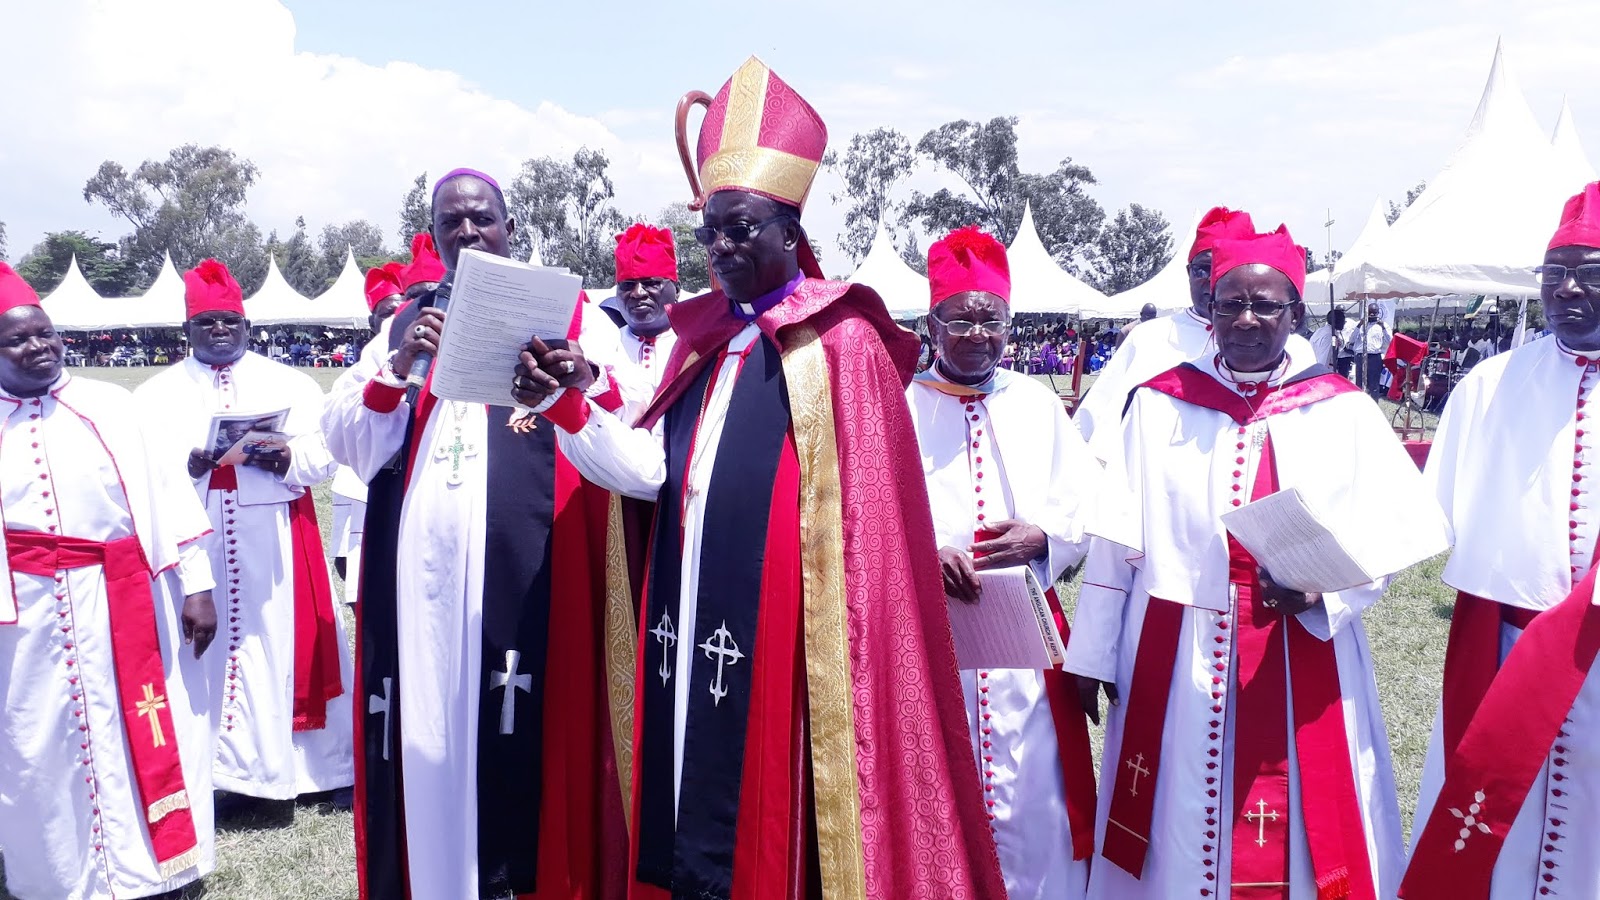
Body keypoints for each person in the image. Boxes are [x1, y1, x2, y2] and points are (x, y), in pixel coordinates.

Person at [512, 57, 1007, 897]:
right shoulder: (698, 340)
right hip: (685, 620)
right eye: (712, 232)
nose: (725, 248)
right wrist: (570, 401)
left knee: (780, 816)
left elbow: (872, 536)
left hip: (793, 636)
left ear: (791, 231)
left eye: (743, 228)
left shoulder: (840, 342)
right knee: (686, 802)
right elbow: (647, 475)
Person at [1067, 226, 1448, 899]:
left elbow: (1394, 532)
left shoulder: (1343, 409)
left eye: (1265, 306)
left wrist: (1327, 589)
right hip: (1176, 654)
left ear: (1294, 314)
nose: (1245, 320)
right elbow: (1113, 542)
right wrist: (1092, 657)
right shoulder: (1157, 406)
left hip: (1300, 649)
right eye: (1229, 304)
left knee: (1298, 816)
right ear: (1207, 314)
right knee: (1174, 810)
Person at [322, 167, 626, 900]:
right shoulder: (405, 323)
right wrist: (396, 370)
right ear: (432, 237)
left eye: (481, 219)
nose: (467, 233)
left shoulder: (575, 315)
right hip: (420, 597)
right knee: (427, 741)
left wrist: (580, 376)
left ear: (509, 228)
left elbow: (630, 423)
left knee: (521, 740)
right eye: (451, 223)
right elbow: (346, 441)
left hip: (528, 577)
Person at [1401, 181, 1600, 900]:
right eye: (1555, 274)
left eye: (1592, 273)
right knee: (1494, 848)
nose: (1569, 289)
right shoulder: (1488, 385)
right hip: (1504, 654)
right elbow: (1415, 519)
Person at [0, 264, 219, 899]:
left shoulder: (112, 405)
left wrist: (196, 586)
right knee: (36, 745)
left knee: (141, 731)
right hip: (24, 613)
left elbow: (170, 498)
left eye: (46, 333)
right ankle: (55, 878)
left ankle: (156, 868)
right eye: (18, 340)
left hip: (119, 597)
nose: (39, 346)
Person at [905, 226, 1102, 898]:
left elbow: (1084, 504)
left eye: (991, 320)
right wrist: (923, 555)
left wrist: (1044, 537)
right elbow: (864, 518)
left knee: (1034, 796)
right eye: (960, 319)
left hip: (1026, 644)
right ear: (931, 323)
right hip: (934, 639)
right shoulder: (900, 408)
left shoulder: (1039, 404)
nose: (977, 335)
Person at [133, 259, 354, 806]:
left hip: (273, 534)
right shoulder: (152, 395)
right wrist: (188, 463)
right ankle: (217, 776)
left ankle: (306, 774)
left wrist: (286, 456)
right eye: (206, 321)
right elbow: (142, 472)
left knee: (281, 642)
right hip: (197, 538)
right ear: (187, 330)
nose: (219, 330)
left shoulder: (290, 381)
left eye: (229, 320)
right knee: (204, 650)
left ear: (246, 325)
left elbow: (327, 451)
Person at [1072, 206, 1315, 460]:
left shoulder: (1293, 350)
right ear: (1188, 272)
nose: (1211, 280)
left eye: (1224, 270)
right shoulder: (1149, 338)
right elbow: (1091, 426)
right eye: (1202, 269)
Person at [329, 262, 405, 602]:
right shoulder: (357, 374)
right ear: (373, 321)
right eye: (385, 313)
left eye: (402, 308)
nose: (394, 319)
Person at [599, 222, 680, 414]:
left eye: (651, 283)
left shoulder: (697, 346)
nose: (638, 293)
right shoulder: (602, 347)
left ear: (676, 289)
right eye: (627, 285)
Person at [1352, 302, 1391, 399]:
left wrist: (1383, 327)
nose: (1372, 315)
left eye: (1374, 313)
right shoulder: (1360, 325)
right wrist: (1359, 325)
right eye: (1370, 313)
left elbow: (1390, 340)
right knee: (1359, 383)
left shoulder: (1383, 325)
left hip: (1374, 357)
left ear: (1378, 313)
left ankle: (1374, 404)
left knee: (1374, 384)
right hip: (1360, 356)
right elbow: (1351, 339)